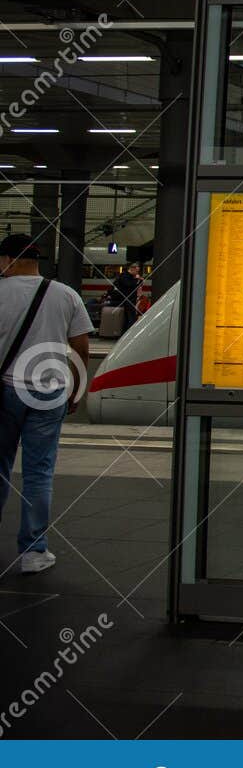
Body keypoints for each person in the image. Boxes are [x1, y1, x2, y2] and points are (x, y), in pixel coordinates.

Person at [0, 232, 93, 575]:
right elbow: (81, 348)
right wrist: (76, 390)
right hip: (48, 393)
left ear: (7, 259)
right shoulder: (65, 294)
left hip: (5, 391)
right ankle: (33, 553)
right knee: (39, 474)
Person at [107, 262, 142, 329]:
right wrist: (137, 280)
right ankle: (129, 332)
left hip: (128, 300)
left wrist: (139, 281)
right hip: (126, 300)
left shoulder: (129, 276)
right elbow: (130, 286)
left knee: (128, 318)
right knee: (131, 318)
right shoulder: (125, 276)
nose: (137, 273)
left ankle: (126, 332)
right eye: (137, 271)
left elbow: (135, 286)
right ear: (132, 269)